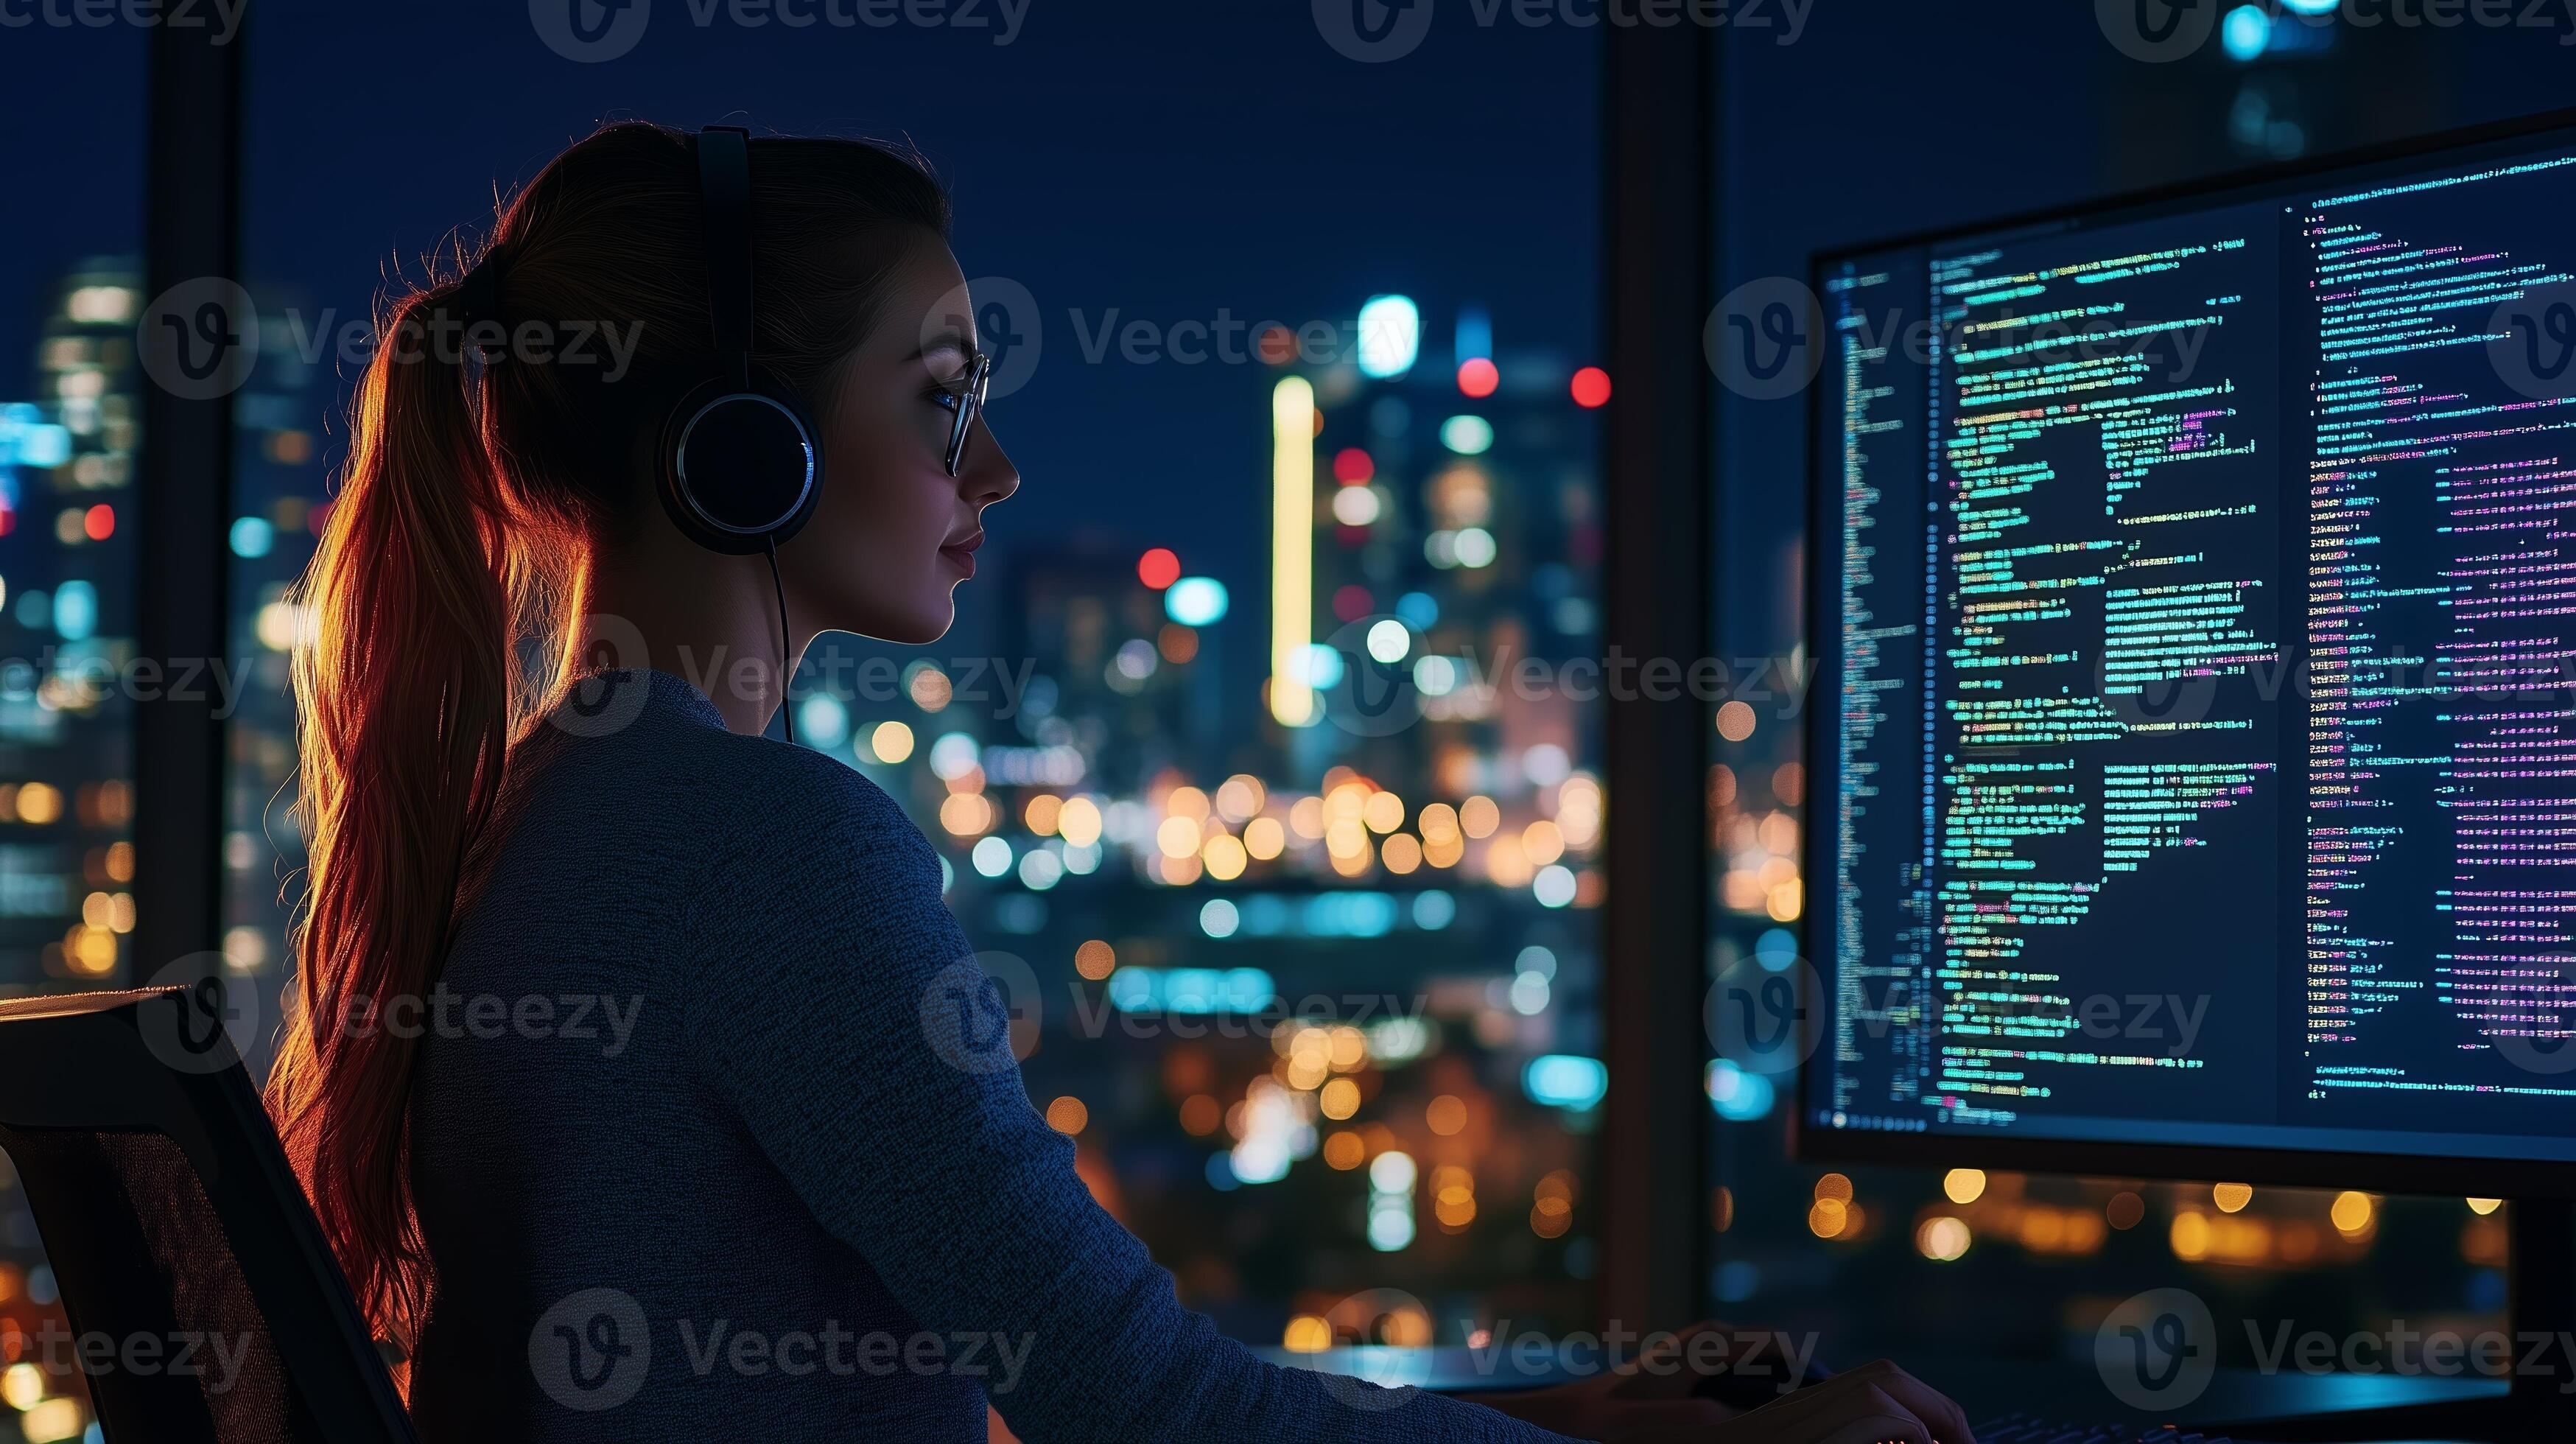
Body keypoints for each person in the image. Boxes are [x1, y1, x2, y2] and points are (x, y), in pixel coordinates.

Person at [264, 119, 1975, 1443]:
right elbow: (1131, 1407)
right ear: (740, 442)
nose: (993, 468)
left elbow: (1120, 1384)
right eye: (939, 398)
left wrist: (1566, 1415)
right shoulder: (765, 844)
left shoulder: (547, 805)